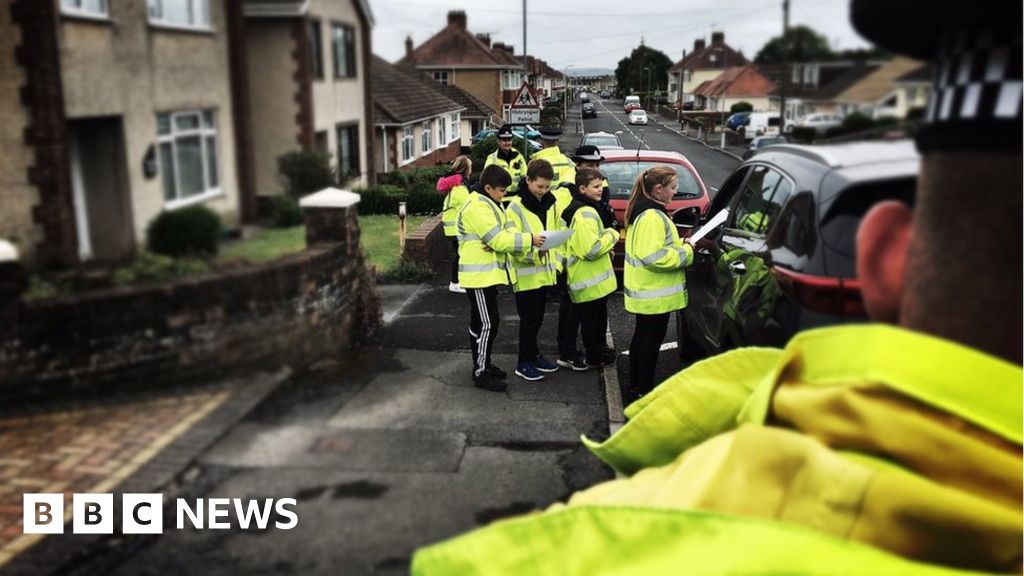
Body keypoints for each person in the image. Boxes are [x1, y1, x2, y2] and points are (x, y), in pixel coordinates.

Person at [412, 0, 1022, 572]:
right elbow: (599, 246)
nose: (593, 183)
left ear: (885, 260)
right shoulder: (581, 208)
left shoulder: (569, 551)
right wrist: (659, 248)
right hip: (561, 285)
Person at [457, 165, 545, 392]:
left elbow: (502, 237)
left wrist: (498, 240)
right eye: (502, 191)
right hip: (478, 276)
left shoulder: (488, 202)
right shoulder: (478, 206)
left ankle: (483, 364)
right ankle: (481, 372)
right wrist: (530, 239)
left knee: (480, 323)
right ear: (488, 188)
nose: (505, 195)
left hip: (485, 275)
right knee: (488, 323)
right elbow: (499, 240)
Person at [623, 166, 694, 397]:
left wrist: (680, 244)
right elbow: (654, 257)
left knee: (642, 339)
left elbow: (654, 248)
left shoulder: (645, 211)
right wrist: (688, 251)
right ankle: (642, 390)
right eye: (673, 187)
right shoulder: (652, 217)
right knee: (649, 344)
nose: (676, 191)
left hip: (646, 291)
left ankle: (637, 387)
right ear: (658, 189)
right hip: (654, 294)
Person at [532, 127, 587, 371]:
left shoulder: (534, 162)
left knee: (553, 309)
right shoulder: (567, 164)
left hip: (549, 235)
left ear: (542, 140)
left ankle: (559, 351)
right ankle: (565, 351)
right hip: (563, 237)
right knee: (568, 306)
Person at [506, 159, 561, 381]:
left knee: (537, 320)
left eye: (547, 186)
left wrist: (556, 263)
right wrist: (535, 253)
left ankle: (534, 355)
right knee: (528, 322)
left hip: (544, 273)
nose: (543, 191)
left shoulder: (551, 202)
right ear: (528, 180)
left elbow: (556, 231)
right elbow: (512, 242)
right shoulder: (515, 207)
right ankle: (524, 362)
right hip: (526, 275)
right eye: (539, 186)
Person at [562, 168, 619, 368]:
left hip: (588, 278)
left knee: (591, 319)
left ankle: (594, 353)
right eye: (596, 187)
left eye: (601, 186)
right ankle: (594, 356)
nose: (600, 189)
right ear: (582, 189)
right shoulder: (585, 213)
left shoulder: (585, 208)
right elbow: (591, 250)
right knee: (590, 322)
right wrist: (612, 235)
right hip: (588, 279)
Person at [437, 155, 472, 293]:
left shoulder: (457, 186)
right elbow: (468, 207)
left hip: (452, 228)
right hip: (455, 228)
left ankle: (458, 281)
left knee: (459, 254)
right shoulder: (460, 189)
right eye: (470, 167)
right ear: (466, 169)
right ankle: (455, 282)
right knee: (460, 255)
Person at [483, 125, 526, 195]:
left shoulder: (519, 157)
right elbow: (486, 179)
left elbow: (524, 176)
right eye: (504, 140)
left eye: (509, 140)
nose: (507, 143)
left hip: (516, 196)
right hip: (500, 197)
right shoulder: (492, 158)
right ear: (499, 142)